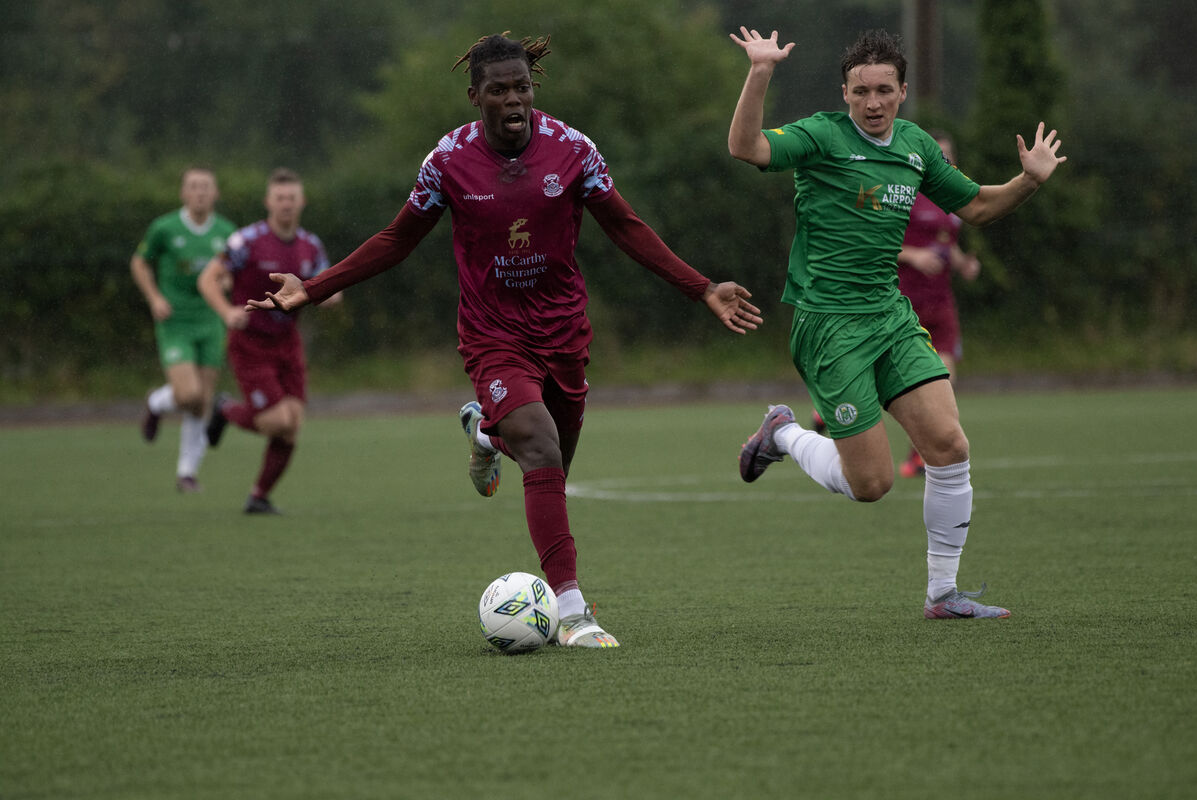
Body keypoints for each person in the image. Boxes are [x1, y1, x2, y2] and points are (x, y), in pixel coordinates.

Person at [244, 33, 763, 647]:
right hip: (492, 334)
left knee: (553, 467)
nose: (513, 98)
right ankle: (574, 615)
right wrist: (314, 286)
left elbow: (625, 226)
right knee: (541, 450)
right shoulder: (448, 161)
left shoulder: (572, 149)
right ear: (476, 97)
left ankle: (485, 433)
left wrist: (700, 287)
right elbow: (395, 239)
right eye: (498, 90)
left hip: (564, 330)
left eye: (521, 87)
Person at [727, 27, 1065, 619]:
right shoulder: (819, 135)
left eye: (885, 90)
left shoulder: (915, 147)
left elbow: (979, 207)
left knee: (949, 444)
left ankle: (943, 595)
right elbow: (746, 147)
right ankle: (782, 432)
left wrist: (1029, 179)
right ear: (846, 93)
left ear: (903, 91)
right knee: (872, 484)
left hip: (890, 316)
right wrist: (760, 71)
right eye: (862, 92)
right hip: (830, 326)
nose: (874, 102)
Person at [198, 168, 339, 514]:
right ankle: (225, 410)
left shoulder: (310, 245)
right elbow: (207, 280)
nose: (286, 203)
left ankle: (258, 496)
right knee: (277, 421)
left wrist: (328, 294)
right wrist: (226, 312)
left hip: (287, 343)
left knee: (292, 425)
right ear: (268, 202)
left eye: (292, 197)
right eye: (280, 198)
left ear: (301, 201)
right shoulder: (246, 242)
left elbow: (327, 285)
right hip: (250, 343)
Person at [131, 166, 237, 493]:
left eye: (206, 186)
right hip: (175, 321)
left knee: (202, 401)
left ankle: (187, 473)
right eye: (193, 186)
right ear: (183, 193)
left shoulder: (227, 232)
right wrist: (154, 297)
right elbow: (139, 262)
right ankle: (157, 403)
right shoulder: (165, 228)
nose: (200, 192)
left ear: (216, 193)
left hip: (210, 322)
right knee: (188, 395)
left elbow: (232, 274)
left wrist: (227, 282)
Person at [895, 131, 981, 478]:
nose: (943, 160)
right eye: (938, 154)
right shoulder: (902, 194)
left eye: (948, 155)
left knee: (944, 381)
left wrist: (963, 264)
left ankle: (919, 455)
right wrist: (913, 256)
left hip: (941, 303)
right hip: (904, 304)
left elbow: (947, 244)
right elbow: (877, 244)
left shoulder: (952, 201)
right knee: (904, 386)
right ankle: (830, 411)